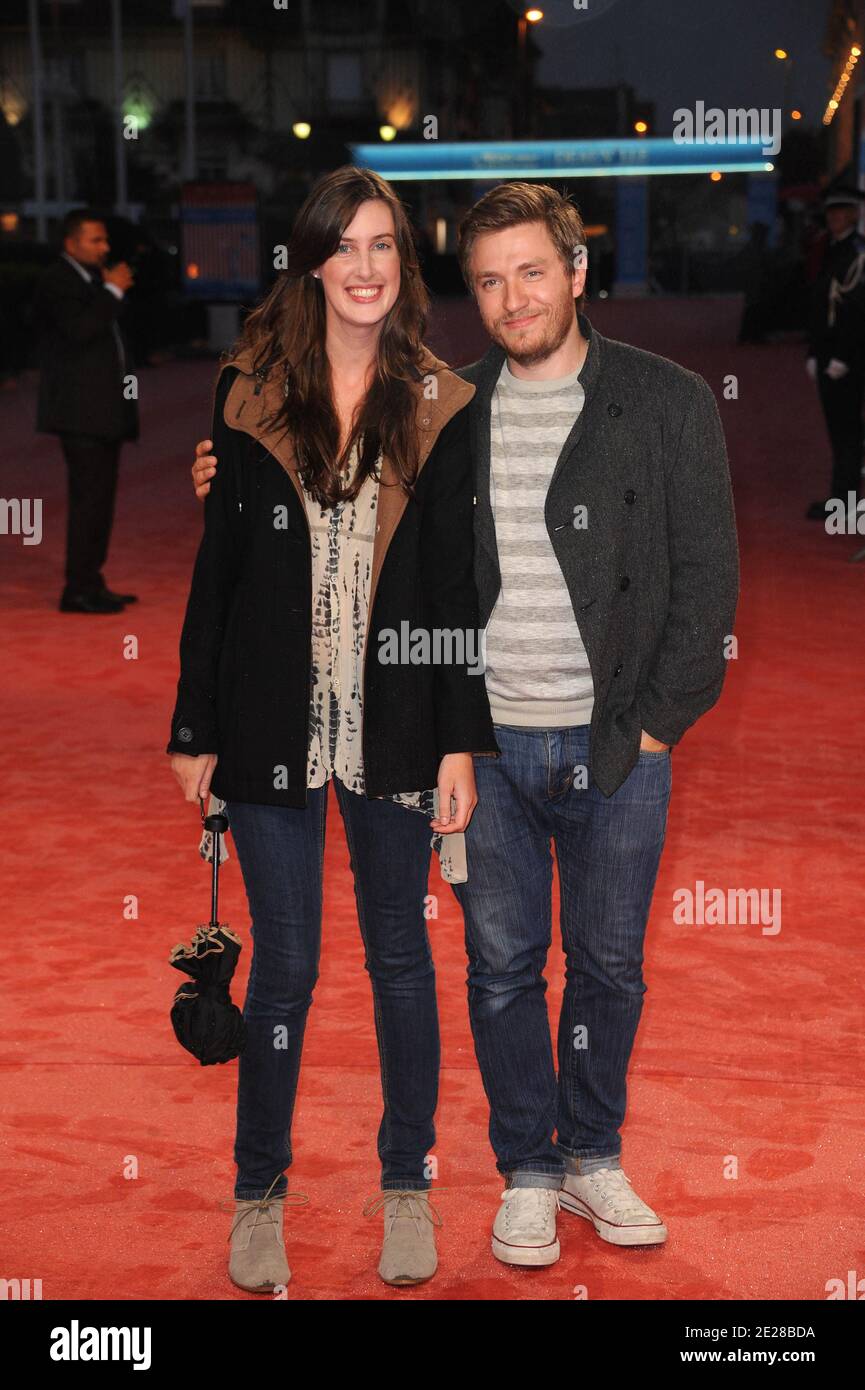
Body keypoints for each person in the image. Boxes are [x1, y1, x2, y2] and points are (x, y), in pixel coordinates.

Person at [191, 180, 740, 1271]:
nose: (511, 296)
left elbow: (706, 574)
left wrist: (660, 724)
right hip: (475, 736)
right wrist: (221, 478)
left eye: (533, 271)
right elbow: (319, 551)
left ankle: (587, 1155)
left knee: (608, 963)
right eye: (489, 279)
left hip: (596, 739)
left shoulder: (650, 400)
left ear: (577, 273)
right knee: (492, 968)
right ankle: (524, 1169)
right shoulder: (447, 400)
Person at [166, 166, 497, 1293]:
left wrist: (460, 741)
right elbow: (218, 573)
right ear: (310, 263)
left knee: (401, 960)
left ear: (403, 265)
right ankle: (260, 1193)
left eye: (385, 247)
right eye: (344, 247)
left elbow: (456, 588)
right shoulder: (247, 390)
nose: (365, 268)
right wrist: (191, 725)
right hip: (269, 722)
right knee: (289, 966)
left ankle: (405, 1182)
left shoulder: (440, 400)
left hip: (397, 722)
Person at [33, 209, 138, 613]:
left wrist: (110, 291)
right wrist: (111, 293)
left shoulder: (92, 279)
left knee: (100, 501)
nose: (105, 247)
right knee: (88, 501)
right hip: (79, 413)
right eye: (95, 240)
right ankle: (77, 589)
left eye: (105, 240)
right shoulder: (56, 281)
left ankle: (91, 581)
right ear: (71, 243)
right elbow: (80, 331)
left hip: (102, 412)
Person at [804, 185, 865, 522]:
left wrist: (843, 355)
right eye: (831, 212)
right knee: (838, 432)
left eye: (842, 212)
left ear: (855, 214)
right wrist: (814, 351)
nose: (835, 217)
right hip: (829, 354)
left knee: (848, 433)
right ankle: (841, 500)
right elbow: (820, 306)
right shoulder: (831, 249)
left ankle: (847, 505)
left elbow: (856, 311)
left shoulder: (857, 254)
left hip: (849, 358)